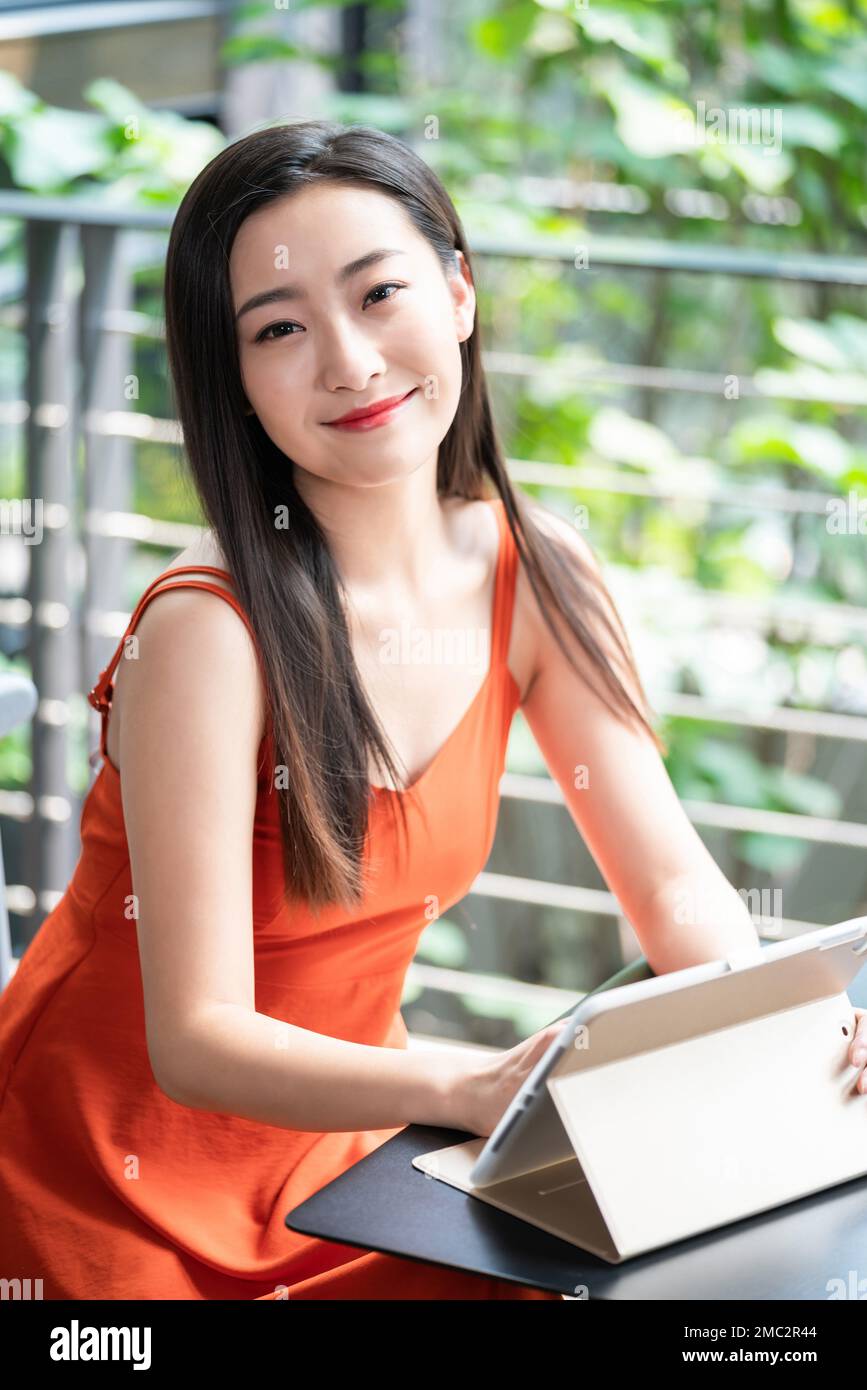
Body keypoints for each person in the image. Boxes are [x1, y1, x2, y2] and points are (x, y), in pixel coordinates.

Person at [2, 120, 864, 1302]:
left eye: (380, 292)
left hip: (346, 1155)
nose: (351, 363)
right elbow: (196, 1037)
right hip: (102, 1180)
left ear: (458, 293)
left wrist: (781, 1026)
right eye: (280, 329)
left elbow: (672, 888)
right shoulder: (207, 629)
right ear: (233, 378)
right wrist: (474, 1087)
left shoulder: (537, 573)